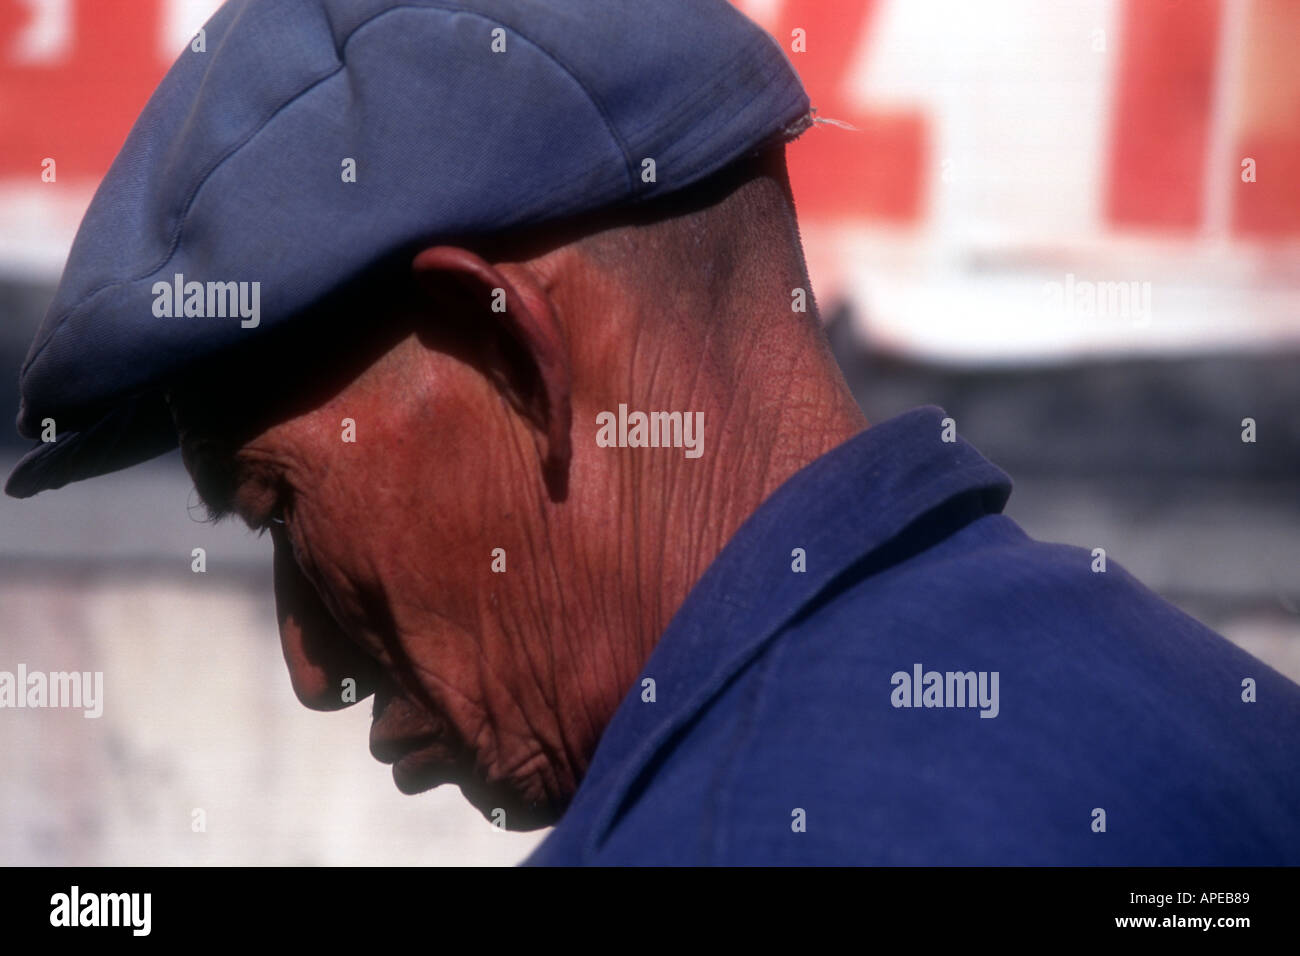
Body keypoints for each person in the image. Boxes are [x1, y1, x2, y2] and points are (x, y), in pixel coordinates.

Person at [9, 0, 1300, 865]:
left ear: (504, 349)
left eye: (282, 507)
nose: (311, 661)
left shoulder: (745, 832)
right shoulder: (1206, 713)